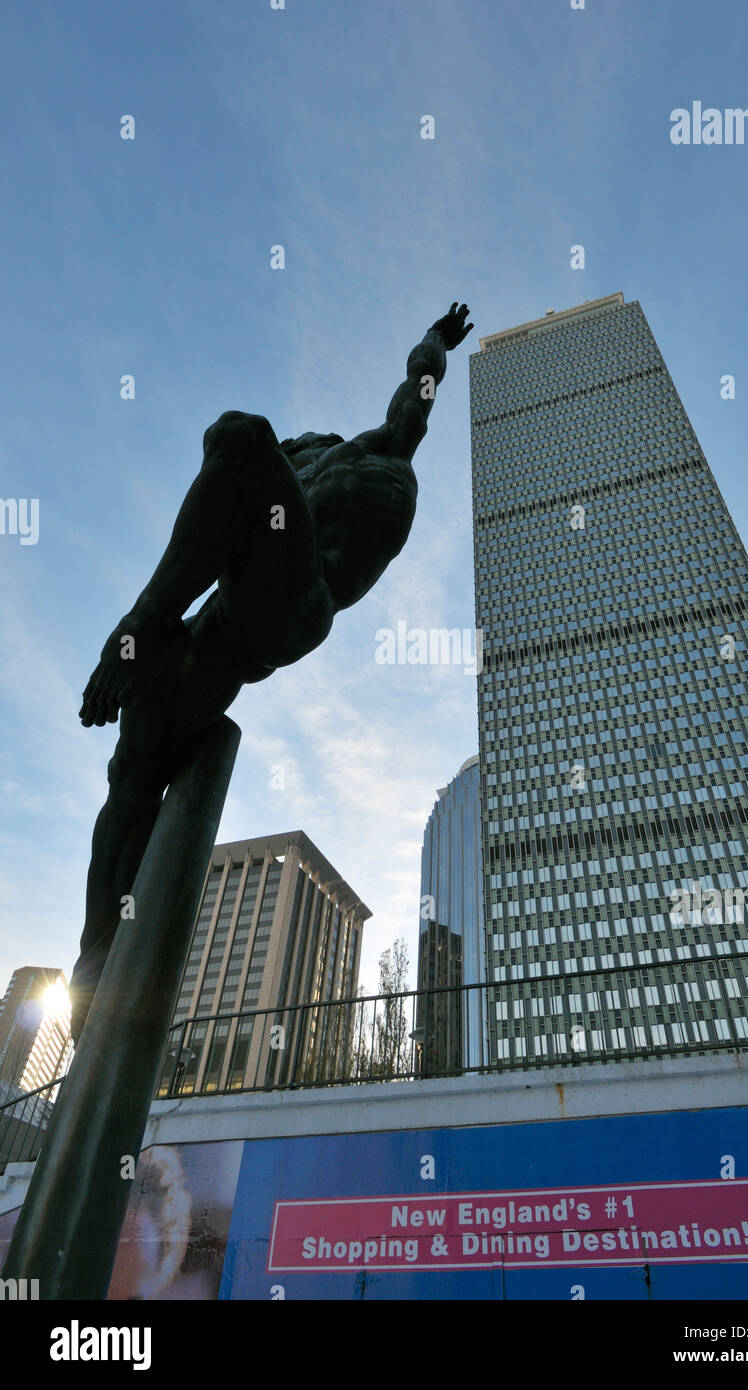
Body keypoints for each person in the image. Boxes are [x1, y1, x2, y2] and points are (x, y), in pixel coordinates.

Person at [69, 302, 474, 1045]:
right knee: (128, 786)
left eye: (301, 445)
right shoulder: (290, 478)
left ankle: (136, 627)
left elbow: (418, 385)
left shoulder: (383, 449)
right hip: (209, 638)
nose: (299, 447)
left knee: (241, 436)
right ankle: (94, 954)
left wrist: (436, 342)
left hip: (291, 609)